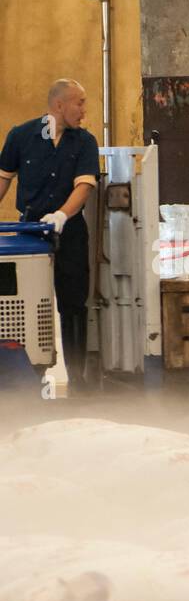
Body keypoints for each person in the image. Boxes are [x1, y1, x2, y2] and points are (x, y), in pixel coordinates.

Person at [0, 79, 100, 394]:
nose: (84, 111)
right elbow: (2, 181)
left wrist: (62, 215)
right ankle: (28, 377)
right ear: (59, 105)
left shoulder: (84, 142)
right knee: (24, 304)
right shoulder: (21, 136)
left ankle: (78, 378)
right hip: (28, 238)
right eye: (79, 103)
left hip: (69, 234)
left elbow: (83, 187)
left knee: (73, 305)